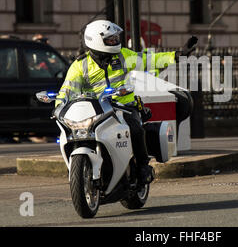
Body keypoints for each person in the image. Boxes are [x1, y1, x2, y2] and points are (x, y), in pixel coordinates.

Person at [56, 20, 197, 184]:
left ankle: (143, 166)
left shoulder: (122, 56)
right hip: (95, 110)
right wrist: (59, 108)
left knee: (135, 130)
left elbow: (148, 60)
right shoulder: (80, 66)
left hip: (124, 106)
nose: (115, 41)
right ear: (95, 40)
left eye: (115, 38)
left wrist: (176, 56)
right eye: (110, 39)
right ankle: (78, 170)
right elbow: (67, 89)